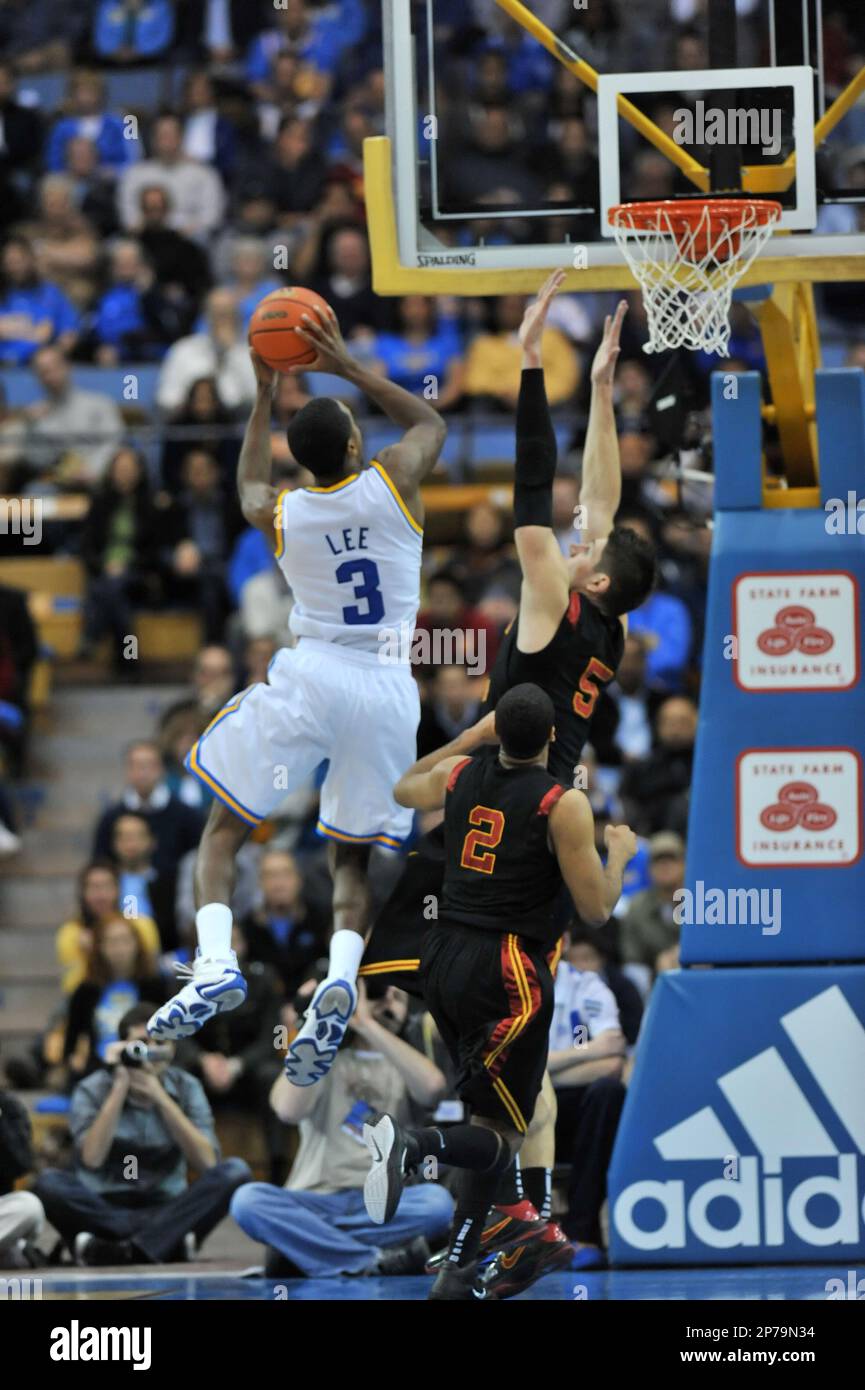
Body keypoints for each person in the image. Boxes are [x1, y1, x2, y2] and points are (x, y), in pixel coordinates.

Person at [148, 302, 446, 1093]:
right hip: (385, 688)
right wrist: (346, 366)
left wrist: (259, 393)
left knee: (222, 831)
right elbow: (429, 423)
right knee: (351, 858)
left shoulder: (284, 512)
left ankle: (214, 962)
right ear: (354, 445)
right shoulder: (394, 484)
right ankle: (342, 980)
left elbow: (249, 481)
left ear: (302, 457)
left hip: (312, 673)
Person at [361, 683, 637, 1299]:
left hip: (442, 957)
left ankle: (459, 1270)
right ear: (552, 739)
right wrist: (616, 856)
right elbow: (594, 909)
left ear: (498, 733)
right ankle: (413, 1146)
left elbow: (403, 787)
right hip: (507, 966)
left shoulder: (460, 774)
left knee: (491, 1118)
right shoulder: (562, 803)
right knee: (503, 1132)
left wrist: (468, 737)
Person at [230, 974, 453, 1277]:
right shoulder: (324, 1054)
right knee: (248, 1201)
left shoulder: (407, 1061)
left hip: (381, 1204)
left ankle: (313, 1249)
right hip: (315, 1198)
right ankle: (370, 1260)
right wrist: (331, 1019)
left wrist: (366, 1024)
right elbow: (286, 1110)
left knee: (437, 1204)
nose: (388, 1003)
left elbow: (433, 1089)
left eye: (397, 999)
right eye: (378, 995)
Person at [35, 1005, 251, 1266]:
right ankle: (165, 1244)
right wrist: (119, 1086)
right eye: (141, 1044)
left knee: (235, 1172)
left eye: (160, 1043)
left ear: (172, 1049)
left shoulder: (187, 1087)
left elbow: (208, 1163)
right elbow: (92, 1158)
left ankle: (112, 1248)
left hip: (166, 1205)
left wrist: (160, 1097)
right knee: (48, 1183)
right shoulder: (92, 1088)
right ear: (122, 1047)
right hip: (105, 1204)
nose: (149, 1052)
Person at [547, 931, 627, 1267]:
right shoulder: (500, 985)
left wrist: (544, 1067)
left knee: (609, 1092)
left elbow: (611, 1056)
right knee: (505, 1089)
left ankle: (582, 1234)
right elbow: (505, 1066)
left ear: (562, 940)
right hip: (524, 1104)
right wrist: (583, 1055)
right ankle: (517, 1238)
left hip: (573, 1111)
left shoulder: (586, 985)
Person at [63, 918, 166, 1083]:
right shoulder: (86, 990)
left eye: (125, 941)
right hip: (99, 1069)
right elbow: (71, 1041)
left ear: (137, 944)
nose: (119, 949)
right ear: (100, 947)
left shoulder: (155, 985)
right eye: (111, 942)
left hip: (148, 1066)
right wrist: (73, 1062)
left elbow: (168, 1035)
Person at [92, 739, 203, 876]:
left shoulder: (187, 816)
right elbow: (101, 864)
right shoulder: (111, 818)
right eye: (136, 765)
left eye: (149, 766)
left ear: (162, 769)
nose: (143, 773)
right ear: (127, 770)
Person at [56, 860, 161, 995]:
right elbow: (72, 989)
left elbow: (152, 973)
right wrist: (90, 954)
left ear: (119, 889)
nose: (101, 895)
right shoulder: (71, 933)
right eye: (94, 887)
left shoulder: (141, 925)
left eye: (107, 886)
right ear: (82, 893)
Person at [0, 1089, 44, 1268]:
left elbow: (22, 1164)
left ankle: (10, 1250)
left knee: (29, 1206)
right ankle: (10, 1250)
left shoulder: (8, 1107)